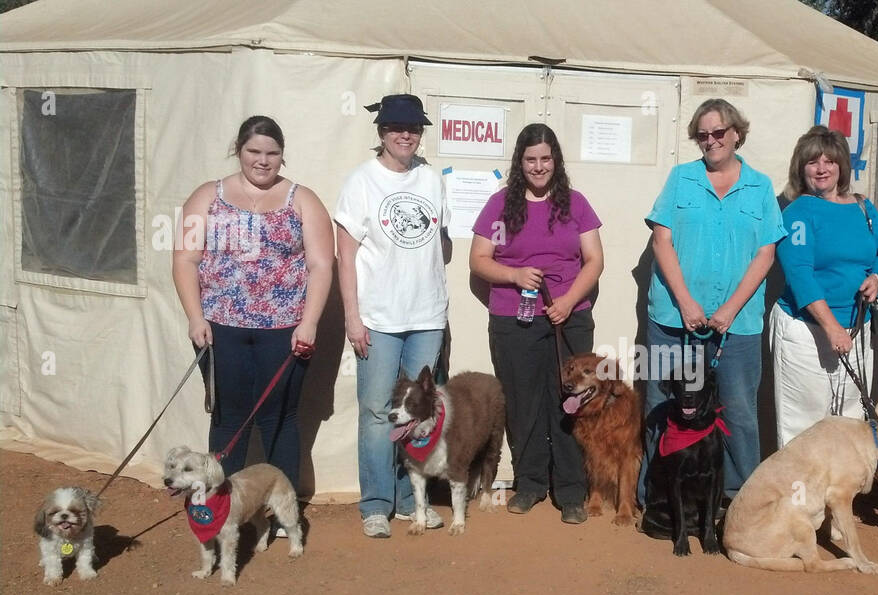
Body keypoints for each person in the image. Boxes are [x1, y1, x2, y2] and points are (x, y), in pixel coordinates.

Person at [172, 115, 332, 503]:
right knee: (228, 419)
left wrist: (309, 323)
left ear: (282, 156)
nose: (263, 161)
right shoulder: (205, 196)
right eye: (254, 152)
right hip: (220, 328)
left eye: (272, 153)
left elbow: (321, 264)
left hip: (285, 329)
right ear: (239, 151)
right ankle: (222, 502)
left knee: (279, 418)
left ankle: (283, 505)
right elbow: (184, 260)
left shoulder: (303, 199)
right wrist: (196, 317)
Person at [643, 98, 786, 501]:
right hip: (674, 319)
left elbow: (765, 253)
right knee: (663, 406)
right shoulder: (680, 179)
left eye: (719, 132)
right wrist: (687, 302)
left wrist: (729, 309)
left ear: (736, 133)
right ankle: (657, 496)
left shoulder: (760, 187)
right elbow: (662, 239)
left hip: (736, 325)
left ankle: (741, 498)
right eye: (702, 135)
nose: (711, 141)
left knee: (738, 412)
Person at [469, 123, 604, 524]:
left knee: (570, 403)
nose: (539, 166)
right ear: (520, 162)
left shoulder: (575, 204)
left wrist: (568, 300)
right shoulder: (500, 206)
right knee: (523, 404)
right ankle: (529, 484)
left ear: (556, 161)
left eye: (546, 158)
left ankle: (571, 491)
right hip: (515, 320)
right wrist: (513, 276)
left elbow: (594, 260)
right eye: (531, 159)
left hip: (569, 318)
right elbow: (478, 259)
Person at [335, 94, 450, 538]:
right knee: (377, 411)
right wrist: (352, 316)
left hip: (426, 316)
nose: (406, 134)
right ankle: (376, 502)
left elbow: (438, 244)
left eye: (414, 127)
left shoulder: (431, 178)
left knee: (419, 411)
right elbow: (346, 255)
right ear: (381, 132)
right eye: (397, 127)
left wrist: (439, 304)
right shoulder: (361, 181)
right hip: (378, 319)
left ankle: (409, 499)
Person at [772, 125, 878, 446]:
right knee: (805, 425)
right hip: (807, 330)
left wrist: (877, 278)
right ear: (802, 169)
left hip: (857, 327)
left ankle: (841, 493)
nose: (822, 168)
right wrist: (831, 328)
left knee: (850, 418)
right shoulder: (797, 212)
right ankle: (801, 494)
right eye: (813, 162)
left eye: (829, 161)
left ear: (842, 165)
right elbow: (800, 274)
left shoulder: (863, 207)